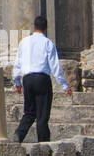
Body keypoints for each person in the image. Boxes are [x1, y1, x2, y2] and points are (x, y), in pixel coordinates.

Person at [12, 15, 72, 143]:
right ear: (46, 29)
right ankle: (43, 144)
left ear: (34, 27)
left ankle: (18, 134)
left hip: (27, 79)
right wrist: (64, 85)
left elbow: (17, 63)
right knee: (42, 115)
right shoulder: (48, 43)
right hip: (42, 79)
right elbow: (55, 66)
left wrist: (17, 81)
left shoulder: (24, 42)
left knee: (29, 112)